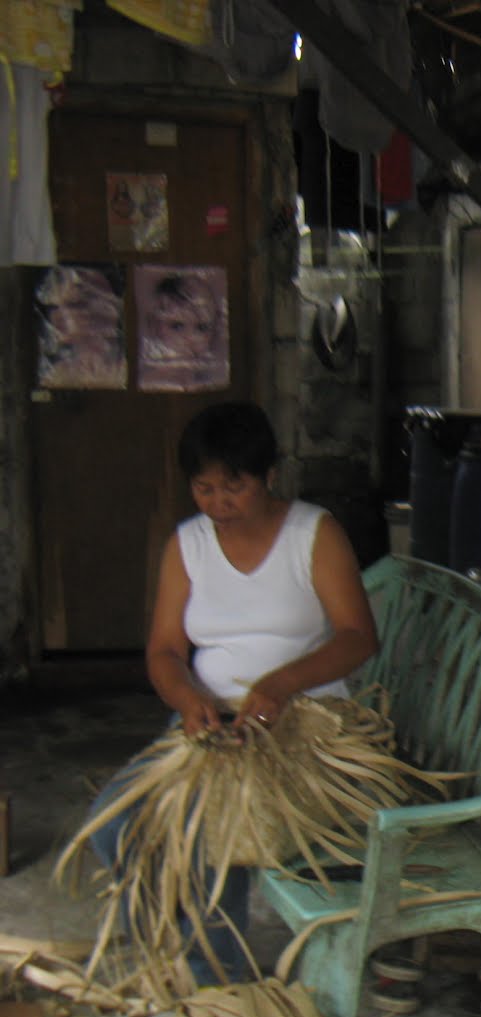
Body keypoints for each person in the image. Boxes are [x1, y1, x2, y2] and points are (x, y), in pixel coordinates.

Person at [86, 401, 379, 985]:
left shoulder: (312, 534)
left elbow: (358, 637)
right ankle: (176, 951)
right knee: (113, 825)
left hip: (307, 721)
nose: (219, 503)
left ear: (269, 476)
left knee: (208, 824)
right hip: (214, 720)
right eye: (204, 488)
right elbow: (165, 650)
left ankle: (213, 977)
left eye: (234, 487)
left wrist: (283, 684)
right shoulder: (188, 545)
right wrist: (189, 702)